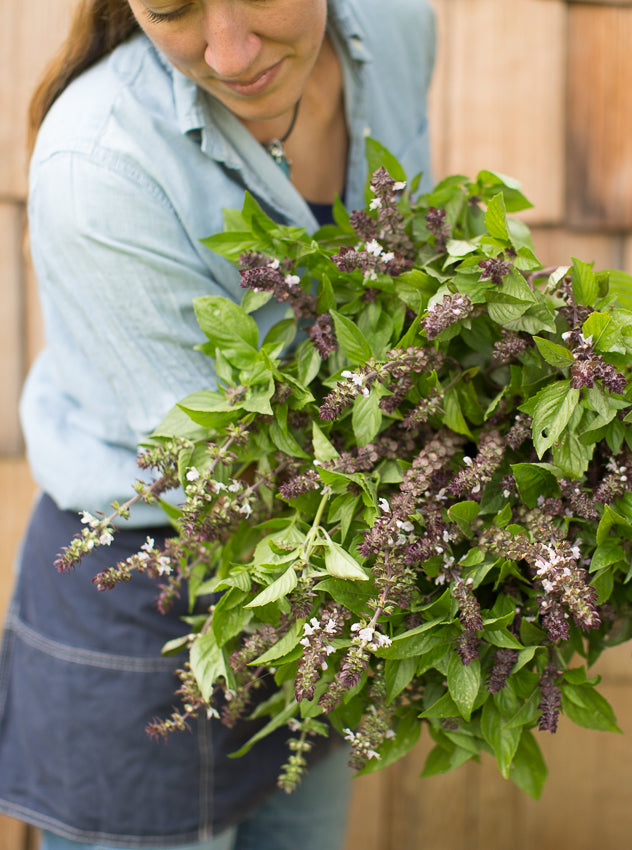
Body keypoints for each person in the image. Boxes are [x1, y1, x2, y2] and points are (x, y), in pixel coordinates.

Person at [0, 0, 436, 848]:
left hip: (326, 567)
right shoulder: (100, 161)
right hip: (147, 590)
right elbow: (232, 471)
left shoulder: (395, 26)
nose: (231, 54)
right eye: (172, 9)